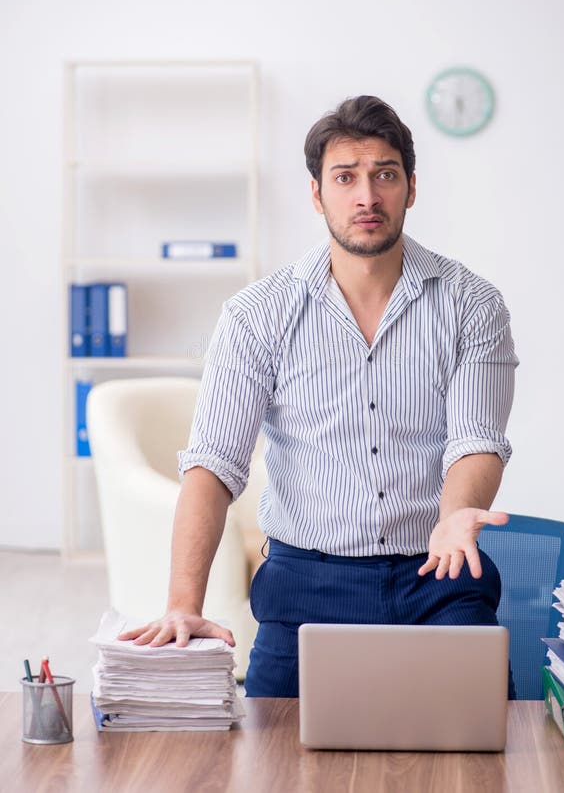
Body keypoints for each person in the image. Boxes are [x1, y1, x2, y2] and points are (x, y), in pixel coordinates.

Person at [119, 95, 519, 698]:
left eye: (385, 175)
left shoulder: (472, 305)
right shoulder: (257, 315)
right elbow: (213, 465)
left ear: (411, 188)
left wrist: (453, 520)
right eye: (345, 177)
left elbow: (476, 441)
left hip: (439, 576)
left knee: (484, 739)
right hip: (305, 586)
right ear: (317, 194)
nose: (367, 196)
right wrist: (182, 603)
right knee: (272, 748)